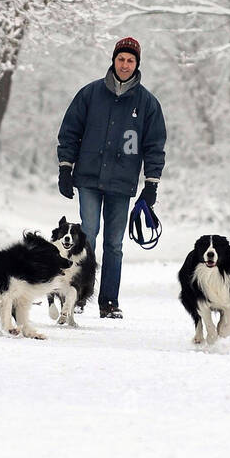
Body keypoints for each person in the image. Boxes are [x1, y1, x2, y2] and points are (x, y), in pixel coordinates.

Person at [56, 36, 166, 318]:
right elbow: (70, 131)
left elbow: (155, 145)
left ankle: (108, 302)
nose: (125, 64)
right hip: (89, 178)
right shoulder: (90, 94)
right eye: (121, 59)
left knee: (114, 244)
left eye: (131, 60)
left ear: (137, 64)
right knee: (88, 236)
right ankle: (78, 295)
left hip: (122, 183)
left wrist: (151, 184)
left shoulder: (147, 103)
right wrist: (66, 168)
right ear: (113, 61)